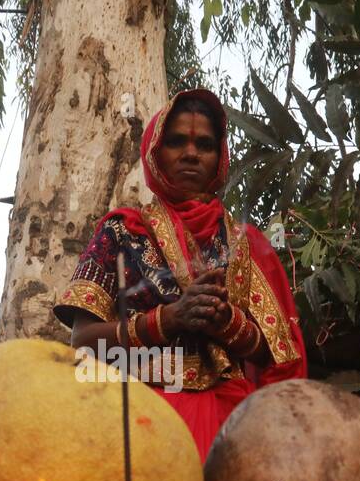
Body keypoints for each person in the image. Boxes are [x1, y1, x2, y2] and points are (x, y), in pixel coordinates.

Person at [53, 87, 307, 460]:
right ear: (155, 152)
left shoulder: (246, 244)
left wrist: (228, 324)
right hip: (138, 419)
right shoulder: (121, 232)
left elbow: (279, 357)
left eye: (204, 144)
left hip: (232, 429)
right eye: (176, 142)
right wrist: (170, 319)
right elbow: (85, 342)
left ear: (219, 157)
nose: (191, 154)